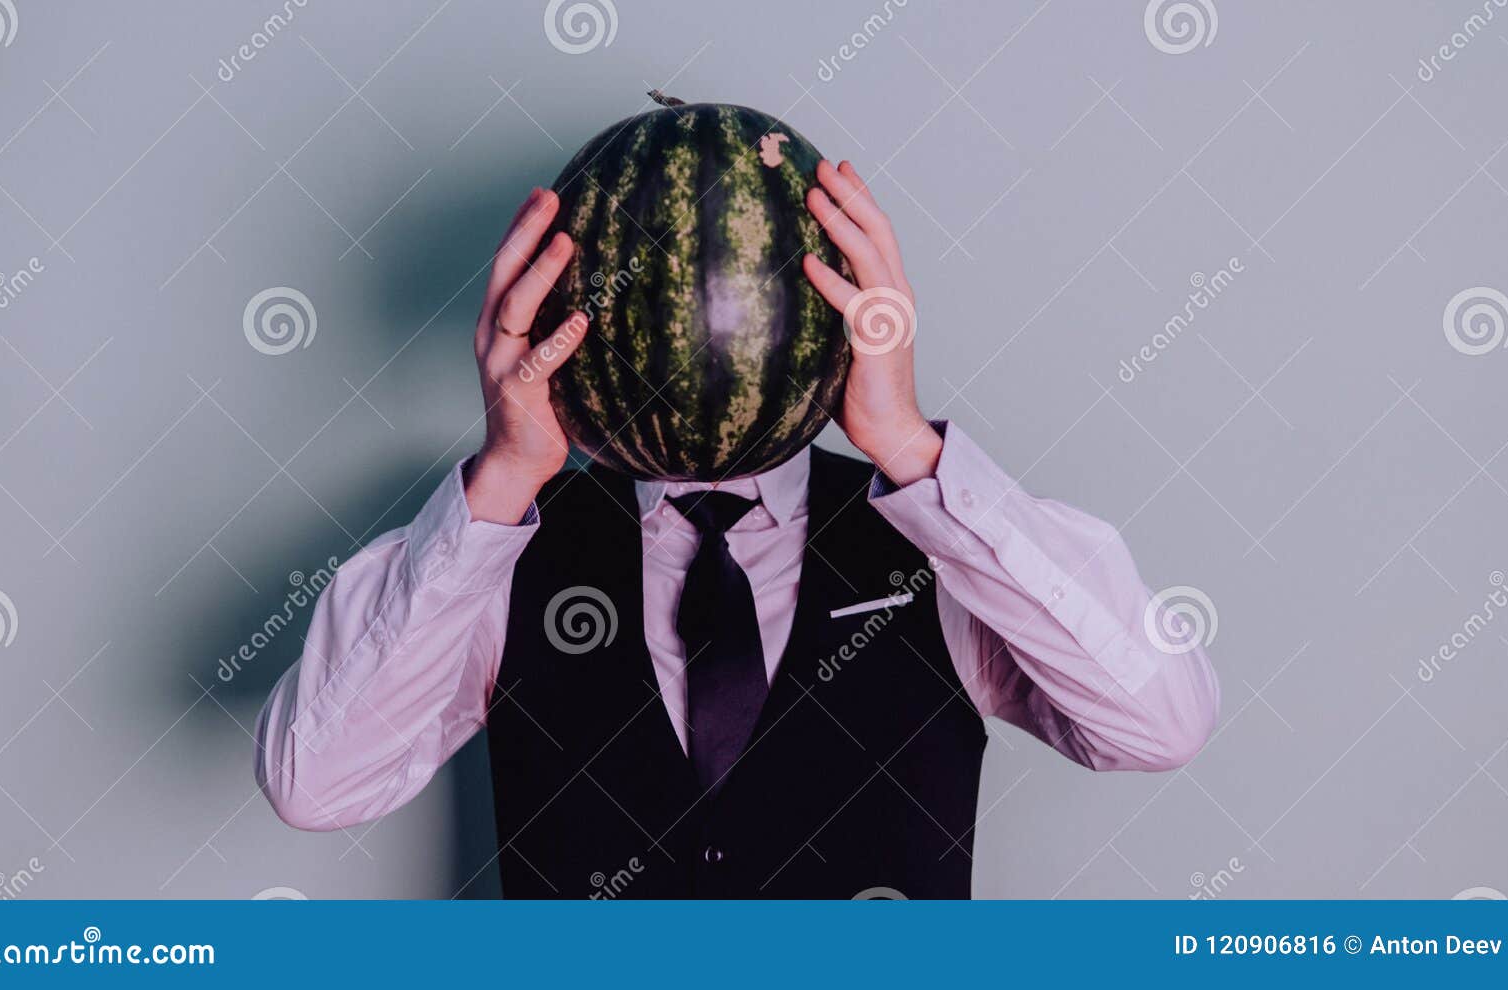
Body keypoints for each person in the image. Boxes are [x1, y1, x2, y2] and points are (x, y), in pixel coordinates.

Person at [255, 160, 1219, 898]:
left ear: (819, 304)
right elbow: (317, 785)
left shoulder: (942, 544)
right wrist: (505, 473)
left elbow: (1160, 724)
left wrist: (910, 448)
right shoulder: (502, 552)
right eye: (660, 287)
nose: (703, 326)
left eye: (737, 288)